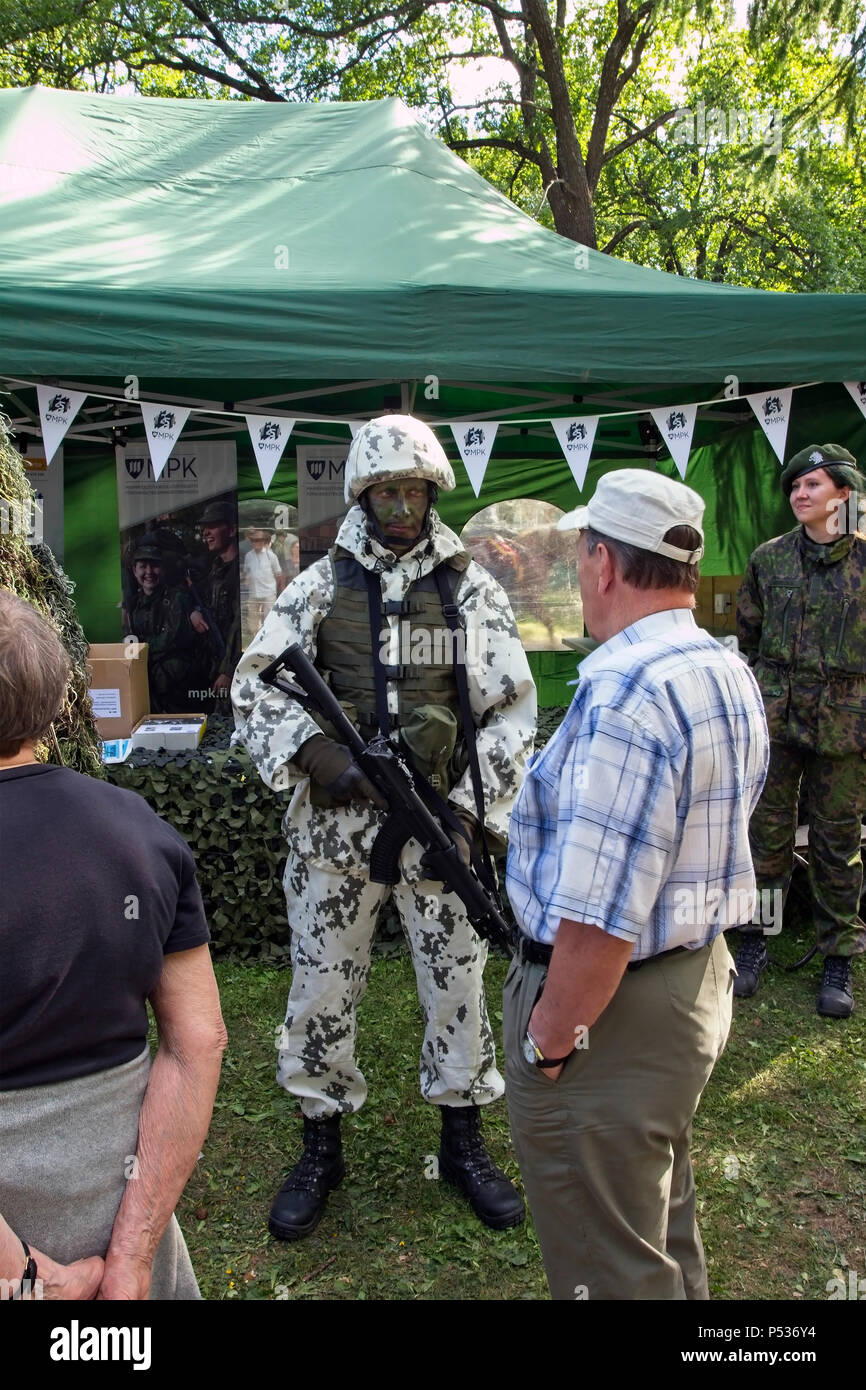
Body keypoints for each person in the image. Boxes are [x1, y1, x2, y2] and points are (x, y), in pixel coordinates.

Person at [232, 414, 536, 1239]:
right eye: (385, 491)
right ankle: (320, 1142)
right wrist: (325, 759)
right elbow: (255, 685)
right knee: (321, 988)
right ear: (362, 497)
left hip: (441, 829)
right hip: (336, 843)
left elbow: (510, 712)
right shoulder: (321, 585)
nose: (402, 506)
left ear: (434, 492)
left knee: (459, 986)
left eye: (414, 490)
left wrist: (474, 818)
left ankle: (464, 1139)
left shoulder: (467, 586)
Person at [503, 470, 769, 1300]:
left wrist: (550, 1040)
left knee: (607, 1263)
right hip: (690, 986)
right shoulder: (720, 665)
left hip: (609, 1014)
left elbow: (599, 922)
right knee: (654, 1219)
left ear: (603, 564)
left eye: (580, 553)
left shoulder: (627, 692)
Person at [0, 591, 227, 1299]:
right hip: (120, 1211)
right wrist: (130, 1258)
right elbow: (199, 1042)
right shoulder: (137, 828)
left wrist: (27, 1276)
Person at [732, 443, 866, 1017]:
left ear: (844, 493)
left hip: (847, 728)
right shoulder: (769, 559)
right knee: (767, 837)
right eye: (794, 487)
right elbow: (750, 639)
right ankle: (757, 940)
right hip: (777, 722)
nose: (800, 495)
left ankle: (839, 955)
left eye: (813, 484)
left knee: (840, 843)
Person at [123, 539, 208, 712]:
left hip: (175, 686)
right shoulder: (132, 605)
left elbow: (171, 639)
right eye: (143, 566)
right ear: (134, 570)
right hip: (147, 684)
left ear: (162, 569)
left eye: (154, 566)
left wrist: (141, 650)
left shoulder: (177, 598)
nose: (149, 572)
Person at [196, 499, 241, 702]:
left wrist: (229, 670)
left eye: (212, 525)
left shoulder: (243, 571)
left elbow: (243, 625)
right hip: (213, 664)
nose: (205, 532)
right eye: (204, 527)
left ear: (231, 530)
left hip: (235, 669)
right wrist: (194, 612)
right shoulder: (214, 569)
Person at [242, 528, 285, 638]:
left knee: (269, 617)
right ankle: (255, 639)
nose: (256, 543)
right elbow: (246, 571)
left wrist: (281, 589)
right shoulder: (248, 556)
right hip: (254, 591)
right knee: (253, 619)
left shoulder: (271, 555)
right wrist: (246, 578)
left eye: (259, 540)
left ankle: (269, 638)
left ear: (264, 542)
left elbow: (278, 573)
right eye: (254, 540)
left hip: (269, 591)